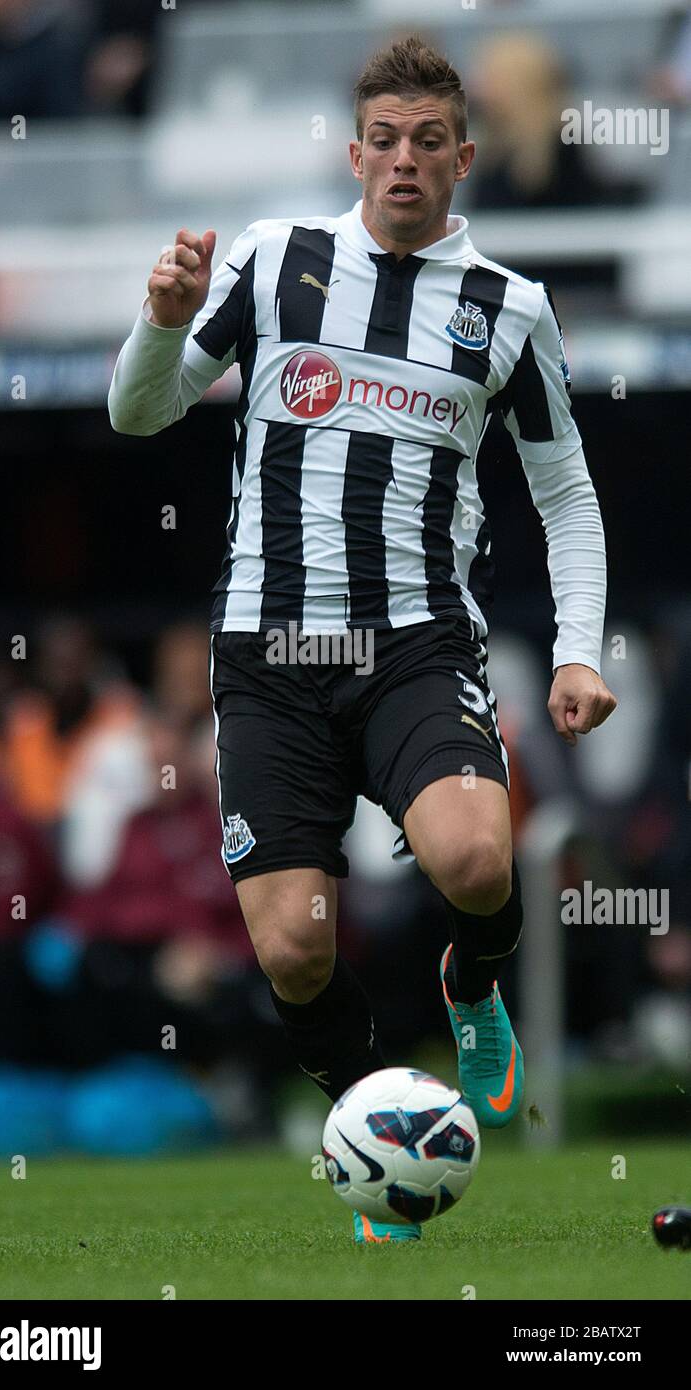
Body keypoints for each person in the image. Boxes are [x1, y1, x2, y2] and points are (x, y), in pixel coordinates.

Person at [108, 34, 617, 1244]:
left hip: (414, 641)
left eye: (427, 143)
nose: (403, 162)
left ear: (463, 157)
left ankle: (473, 983)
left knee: (479, 863)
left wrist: (580, 647)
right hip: (271, 649)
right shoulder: (277, 258)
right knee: (292, 947)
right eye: (383, 142)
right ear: (355, 152)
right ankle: (372, 1141)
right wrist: (160, 322)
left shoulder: (510, 308)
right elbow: (140, 414)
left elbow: (566, 493)